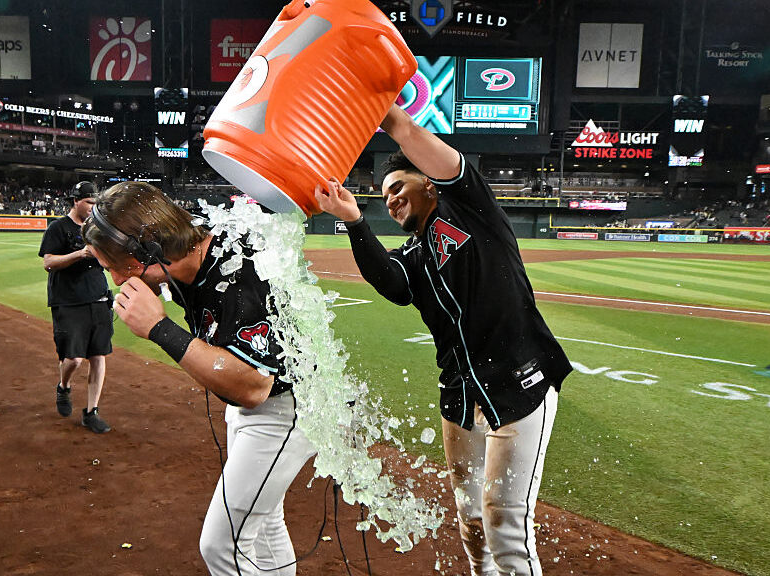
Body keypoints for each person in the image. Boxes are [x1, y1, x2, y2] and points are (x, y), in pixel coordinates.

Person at [315, 104, 572, 576]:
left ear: (429, 182)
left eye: (397, 187)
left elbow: (415, 137)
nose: (389, 200)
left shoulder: (472, 211)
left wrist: (388, 117)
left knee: (504, 522)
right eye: (383, 196)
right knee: (471, 519)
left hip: (519, 381)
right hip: (459, 391)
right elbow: (391, 283)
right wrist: (355, 221)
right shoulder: (414, 253)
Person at [81, 182, 316, 576]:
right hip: (256, 404)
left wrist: (159, 328)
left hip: (286, 409)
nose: (118, 282)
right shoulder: (190, 245)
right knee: (264, 518)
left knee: (221, 546)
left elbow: (254, 386)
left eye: (115, 268)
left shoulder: (240, 267)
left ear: (148, 252)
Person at [38, 181, 112, 433]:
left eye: (96, 203)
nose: (93, 208)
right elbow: (48, 262)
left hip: (98, 298)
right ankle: (63, 386)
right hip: (68, 301)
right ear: (75, 201)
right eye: (90, 202)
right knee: (74, 358)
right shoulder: (58, 227)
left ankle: (91, 412)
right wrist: (80, 254)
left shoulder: (98, 229)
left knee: (98, 356)